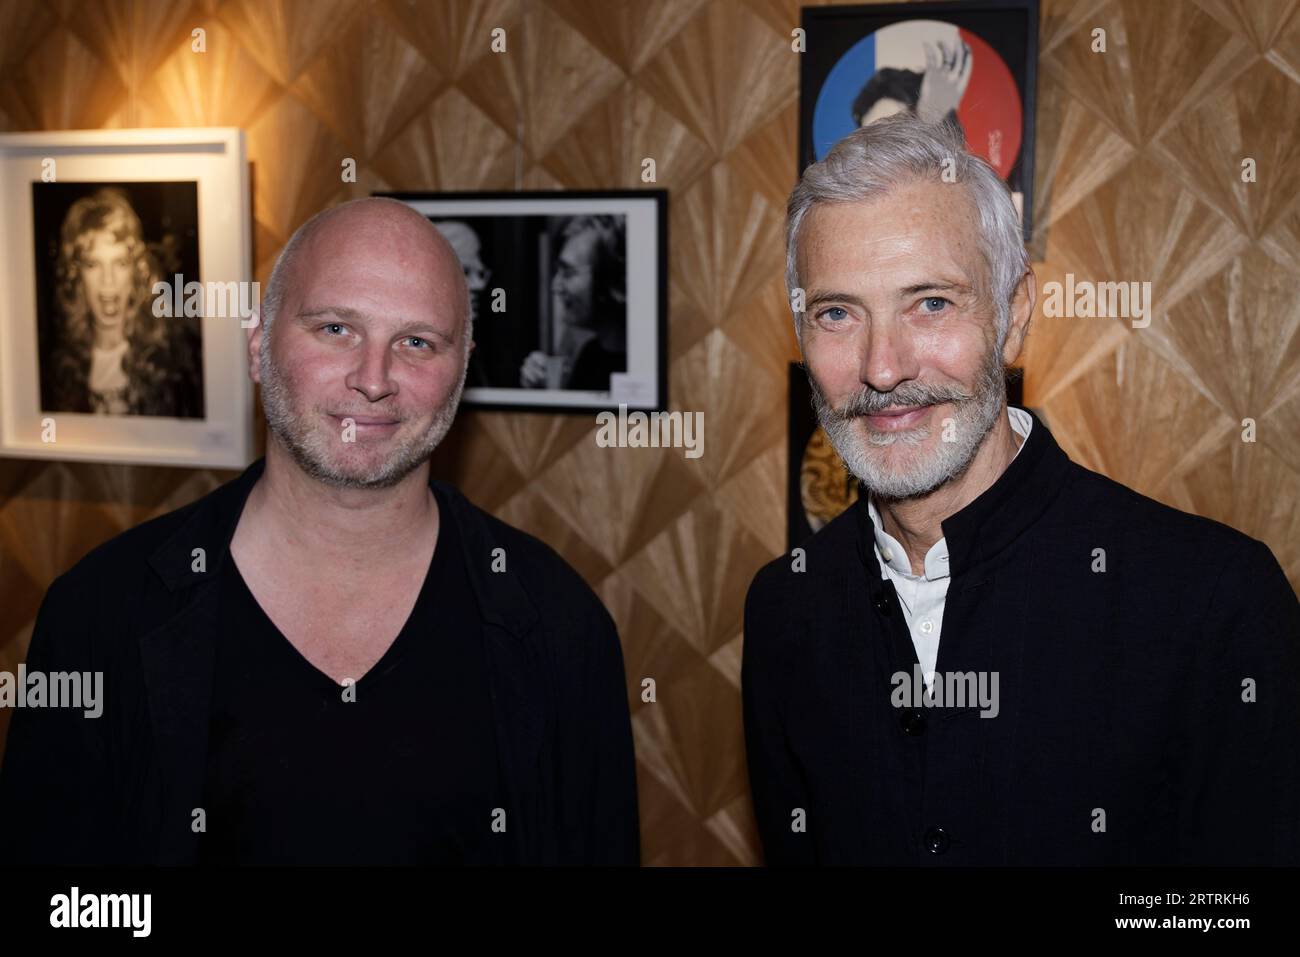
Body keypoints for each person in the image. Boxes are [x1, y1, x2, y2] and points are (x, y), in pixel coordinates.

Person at [0, 197, 640, 866]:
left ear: (461, 371)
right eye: (336, 328)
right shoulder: (100, 616)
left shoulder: (560, 625)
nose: (373, 379)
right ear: (258, 344)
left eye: (417, 341)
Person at [743, 113, 1300, 866]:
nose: (882, 367)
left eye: (931, 302)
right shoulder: (786, 610)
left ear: (1014, 318)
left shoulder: (1213, 603)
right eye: (837, 313)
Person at [45, 186, 202, 417]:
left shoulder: (174, 362)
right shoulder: (58, 371)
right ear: (76, 276)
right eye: (93, 264)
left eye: (120, 263)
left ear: (136, 272)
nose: (108, 280)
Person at [520, 215, 626, 391]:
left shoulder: (642, 364)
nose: (555, 287)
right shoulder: (589, 356)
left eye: (568, 272)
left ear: (610, 278)